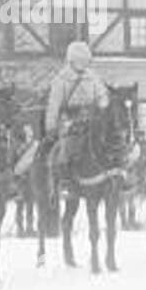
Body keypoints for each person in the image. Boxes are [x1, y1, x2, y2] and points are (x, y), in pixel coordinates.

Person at [45, 40, 110, 183]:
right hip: (69, 119)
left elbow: (102, 96)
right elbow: (53, 105)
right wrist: (51, 126)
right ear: (71, 61)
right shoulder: (60, 80)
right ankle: (66, 177)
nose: (83, 63)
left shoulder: (93, 78)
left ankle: (113, 173)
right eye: (80, 60)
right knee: (69, 145)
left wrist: (103, 106)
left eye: (85, 60)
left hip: (92, 118)